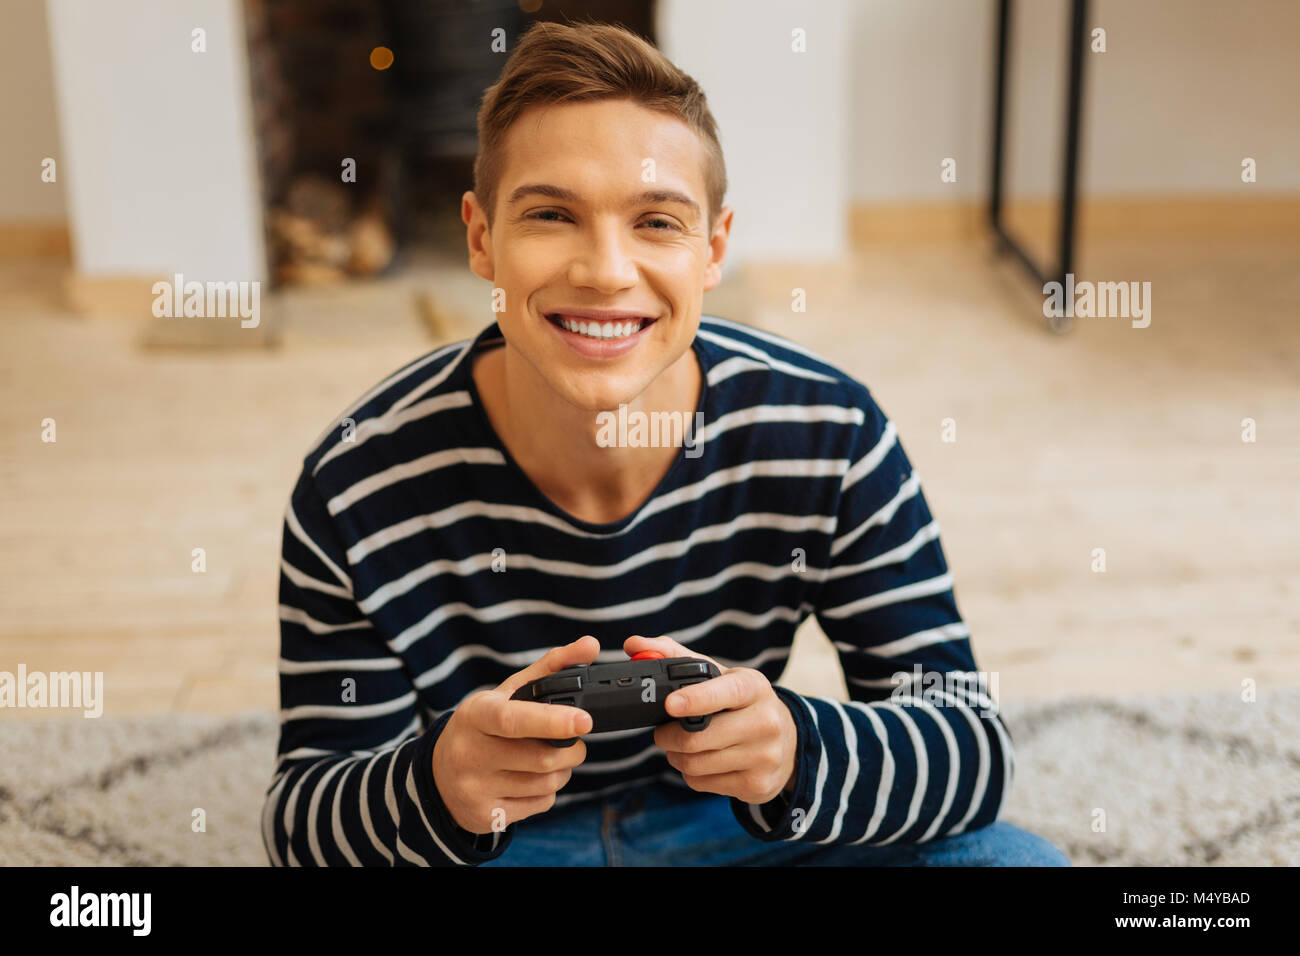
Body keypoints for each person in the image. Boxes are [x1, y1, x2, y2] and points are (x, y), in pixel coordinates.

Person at [262, 20, 1068, 867]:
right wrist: (436, 787)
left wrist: (797, 749)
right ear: (480, 239)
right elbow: (302, 823)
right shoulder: (355, 480)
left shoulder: (829, 432)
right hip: (498, 843)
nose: (606, 271)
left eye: (656, 222)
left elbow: (972, 749)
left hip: (734, 825)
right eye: (550, 214)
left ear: (713, 249)